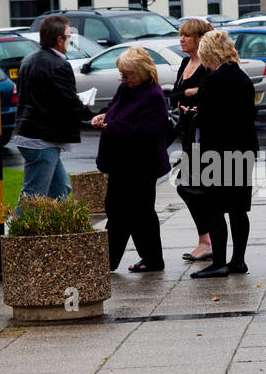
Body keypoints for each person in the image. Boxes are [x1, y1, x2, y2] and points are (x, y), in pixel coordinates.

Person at [91, 47, 169, 273]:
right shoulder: (126, 88)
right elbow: (114, 108)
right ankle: (123, 259)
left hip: (140, 164)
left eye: (127, 74)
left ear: (141, 71)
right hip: (122, 163)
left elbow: (147, 131)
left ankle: (143, 259)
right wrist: (103, 115)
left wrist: (112, 126)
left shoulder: (153, 95)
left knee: (137, 212)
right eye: (121, 74)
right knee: (119, 210)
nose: (124, 79)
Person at [187, 30, 257, 278]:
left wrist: (194, 115)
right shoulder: (242, 77)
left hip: (218, 151)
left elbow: (208, 119)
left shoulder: (213, 81)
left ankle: (218, 262)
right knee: (238, 209)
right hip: (243, 149)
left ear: (209, 54)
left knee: (214, 208)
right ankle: (238, 261)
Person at [12, 15, 91, 209]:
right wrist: (88, 115)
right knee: (33, 196)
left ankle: (56, 226)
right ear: (59, 39)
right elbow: (68, 100)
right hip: (42, 139)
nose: (70, 40)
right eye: (69, 36)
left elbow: (48, 97)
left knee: (60, 189)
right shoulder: (59, 64)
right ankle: (19, 229)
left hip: (30, 134)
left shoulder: (29, 59)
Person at [168, 18, 214, 262]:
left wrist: (188, 96)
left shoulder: (207, 65)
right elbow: (174, 96)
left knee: (194, 188)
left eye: (187, 35)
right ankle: (206, 239)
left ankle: (207, 241)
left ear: (199, 39)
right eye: (181, 35)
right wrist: (188, 92)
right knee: (189, 187)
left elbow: (208, 93)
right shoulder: (186, 63)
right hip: (187, 134)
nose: (182, 39)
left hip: (203, 136)